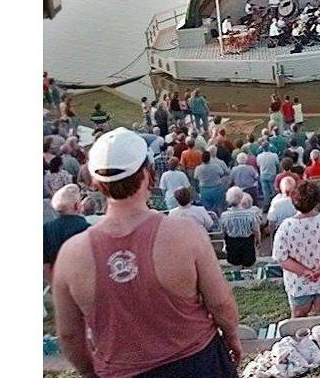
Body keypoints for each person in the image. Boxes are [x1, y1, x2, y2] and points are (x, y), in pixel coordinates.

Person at [51, 128, 242, 377]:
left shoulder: (71, 255)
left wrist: (91, 373)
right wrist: (232, 337)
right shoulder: (185, 233)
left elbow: (69, 334)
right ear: (147, 174)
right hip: (197, 363)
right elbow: (220, 302)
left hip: (122, 371)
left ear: (96, 183)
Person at [272, 180, 320, 317]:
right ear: (317, 201)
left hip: (299, 283)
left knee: (298, 317)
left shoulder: (286, 227)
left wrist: (304, 272)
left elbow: (281, 258)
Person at [44, 184, 90, 283]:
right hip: (81, 281)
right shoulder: (86, 228)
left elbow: (45, 265)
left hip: (57, 280)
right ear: (77, 206)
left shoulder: (46, 228)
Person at [194, 150, 228, 215]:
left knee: (208, 209)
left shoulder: (198, 168)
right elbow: (222, 173)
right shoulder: (215, 166)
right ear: (209, 158)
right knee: (220, 206)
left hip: (204, 190)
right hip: (217, 188)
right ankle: (221, 221)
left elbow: (195, 177)